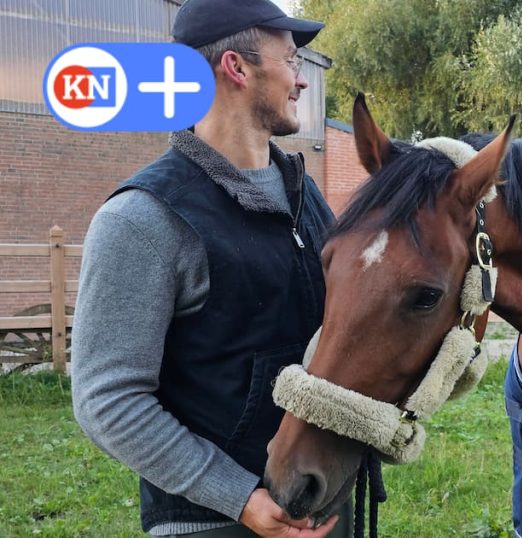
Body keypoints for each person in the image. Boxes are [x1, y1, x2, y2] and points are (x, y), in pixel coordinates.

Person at [70, 1, 350, 536]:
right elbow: (106, 399)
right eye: (291, 60)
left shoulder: (304, 193)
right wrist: (238, 497)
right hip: (214, 523)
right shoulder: (144, 218)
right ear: (236, 69)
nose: (302, 81)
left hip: (322, 501)